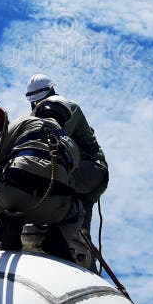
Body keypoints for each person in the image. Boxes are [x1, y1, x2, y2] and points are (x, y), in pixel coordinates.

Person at [0, 108, 83, 263]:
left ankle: (4, 224)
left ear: (38, 111)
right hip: (52, 206)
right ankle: (57, 238)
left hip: (12, 194)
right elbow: (70, 183)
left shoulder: (25, 121)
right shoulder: (73, 146)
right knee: (78, 209)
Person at [25, 74, 109, 236]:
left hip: (90, 170)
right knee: (77, 234)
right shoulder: (38, 118)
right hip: (77, 175)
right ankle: (78, 253)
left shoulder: (67, 109)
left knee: (40, 179)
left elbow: (51, 142)